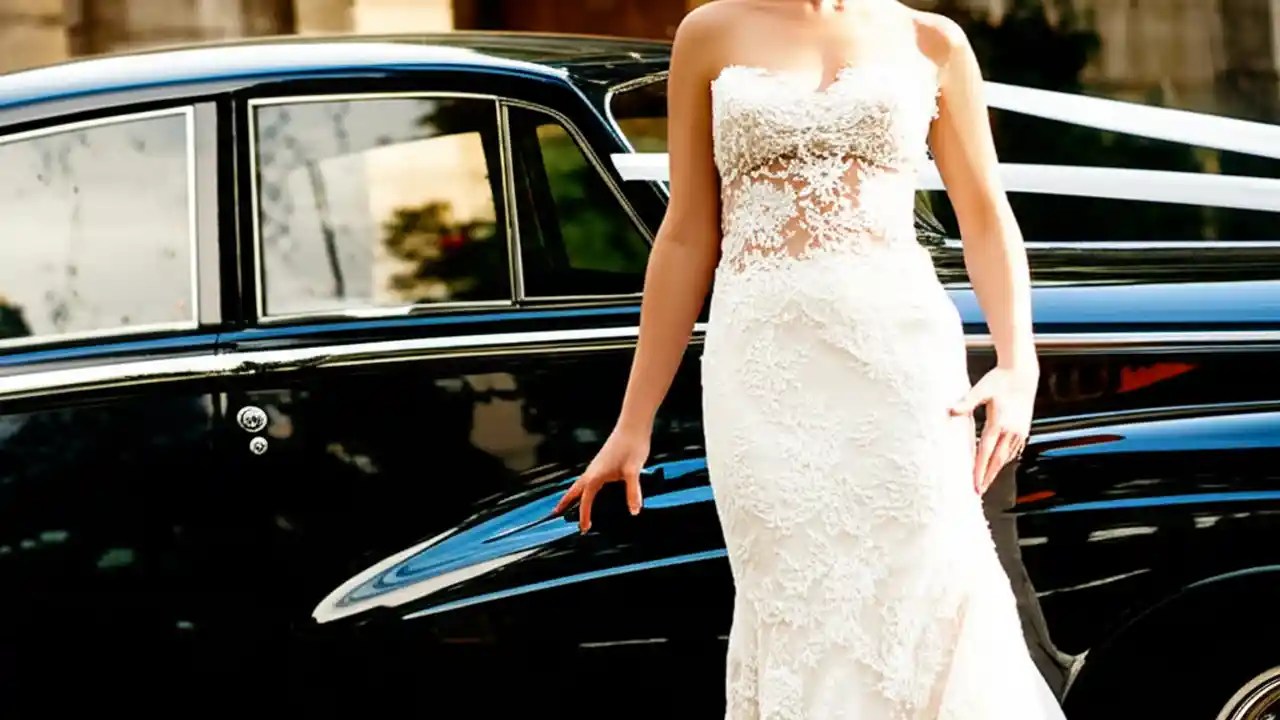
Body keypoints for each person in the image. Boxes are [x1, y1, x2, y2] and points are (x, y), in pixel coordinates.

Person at [554, 0, 1064, 716]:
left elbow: (983, 212)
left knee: (932, 584)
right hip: (764, 373)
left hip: (902, 364)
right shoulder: (709, 32)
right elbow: (686, 233)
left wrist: (1019, 366)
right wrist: (632, 422)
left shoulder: (932, 40)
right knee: (795, 597)